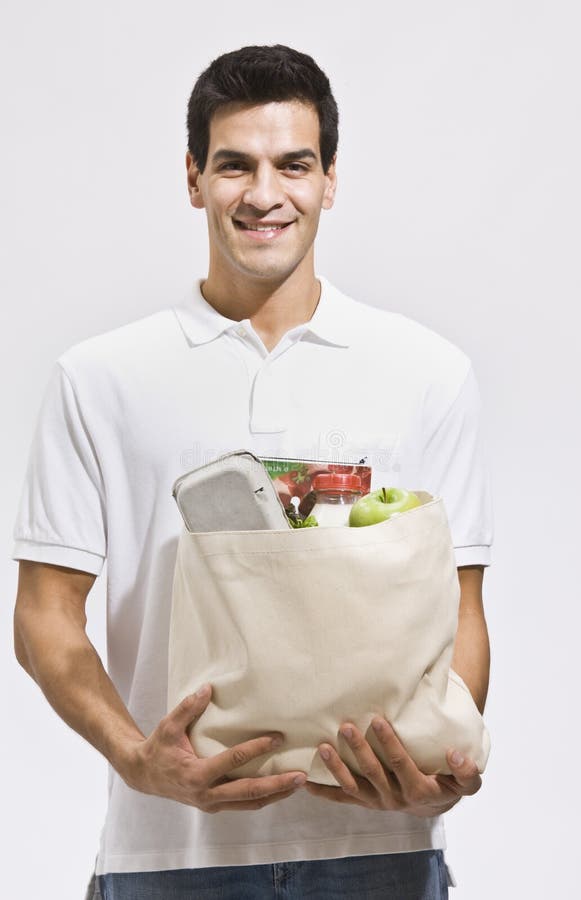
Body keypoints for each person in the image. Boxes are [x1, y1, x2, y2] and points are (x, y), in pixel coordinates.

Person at [12, 44, 493, 900]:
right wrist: (136, 761)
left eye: (292, 165)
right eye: (235, 164)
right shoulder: (101, 377)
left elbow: (458, 606)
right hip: (169, 856)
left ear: (330, 180)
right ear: (193, 178)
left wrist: (443, 758)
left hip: (378, 843)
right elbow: (46, 615)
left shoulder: (427, 371)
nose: (264, 194)